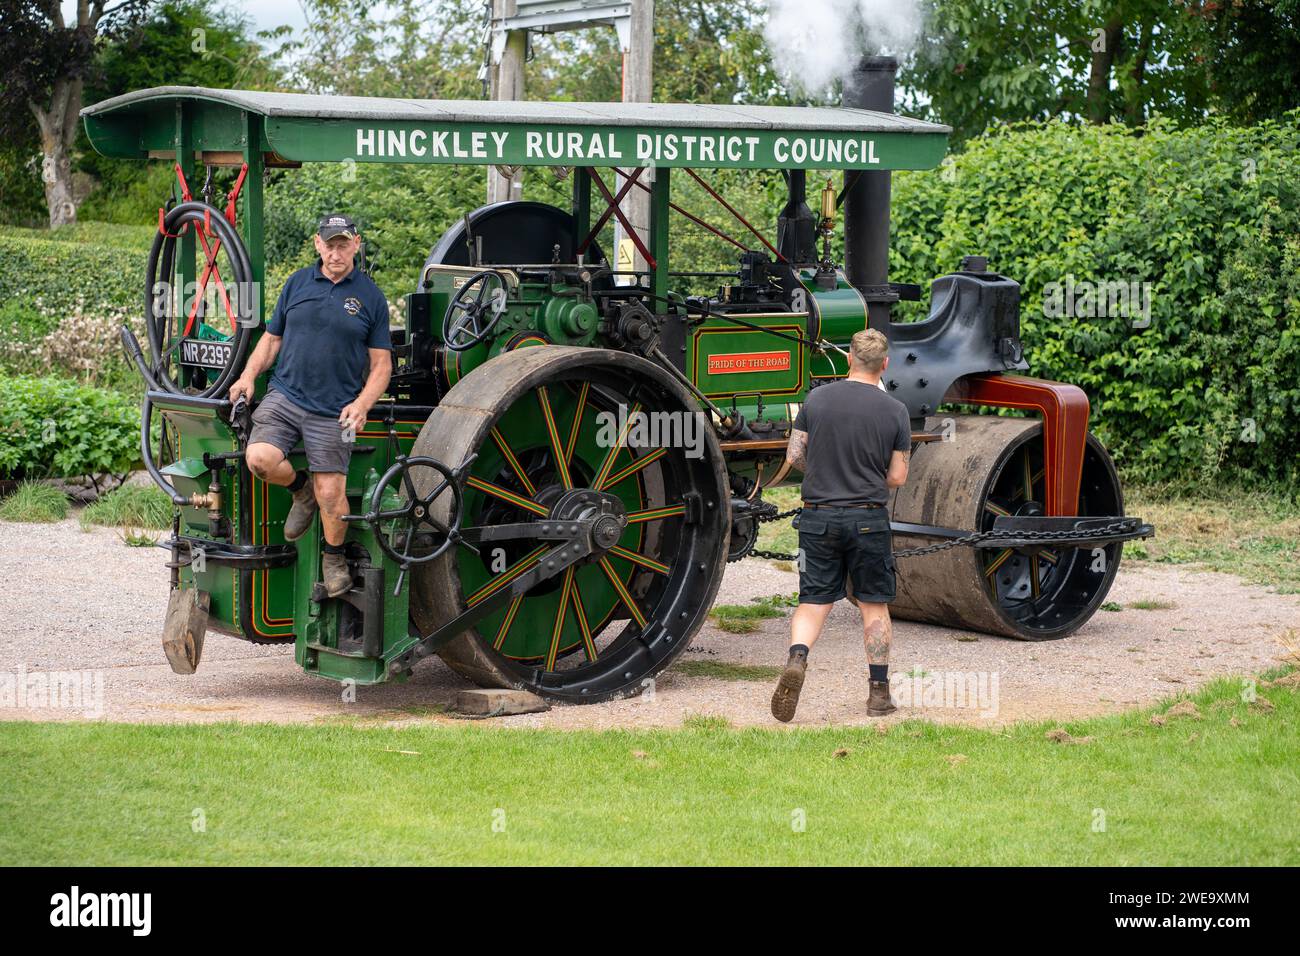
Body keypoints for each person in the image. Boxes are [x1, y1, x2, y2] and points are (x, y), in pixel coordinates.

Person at [229, 214, 392, 597]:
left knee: (332, 494)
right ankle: (299, 489)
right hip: (286, 396)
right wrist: (249, 376)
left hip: (336, 410)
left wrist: (363, 404)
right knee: (259, 459)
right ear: (318, 245)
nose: (336, 252)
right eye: (329, 245)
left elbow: (382, 365)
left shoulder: (370, 296)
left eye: (343, 244)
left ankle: (333, 556)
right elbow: (270, 341)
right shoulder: (298, 283)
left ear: (356, 243)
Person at [770, 327, 910, 722]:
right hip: (867, 518)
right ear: (884, 365)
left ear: (848, 359)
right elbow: (898, 476)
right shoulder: (895, 410)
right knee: (874, 607)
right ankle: (879, 694)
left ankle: (798, 659)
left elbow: (795, 455)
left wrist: (826, 467)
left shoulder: (816, 398)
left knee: (813, 602)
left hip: (818, 517)